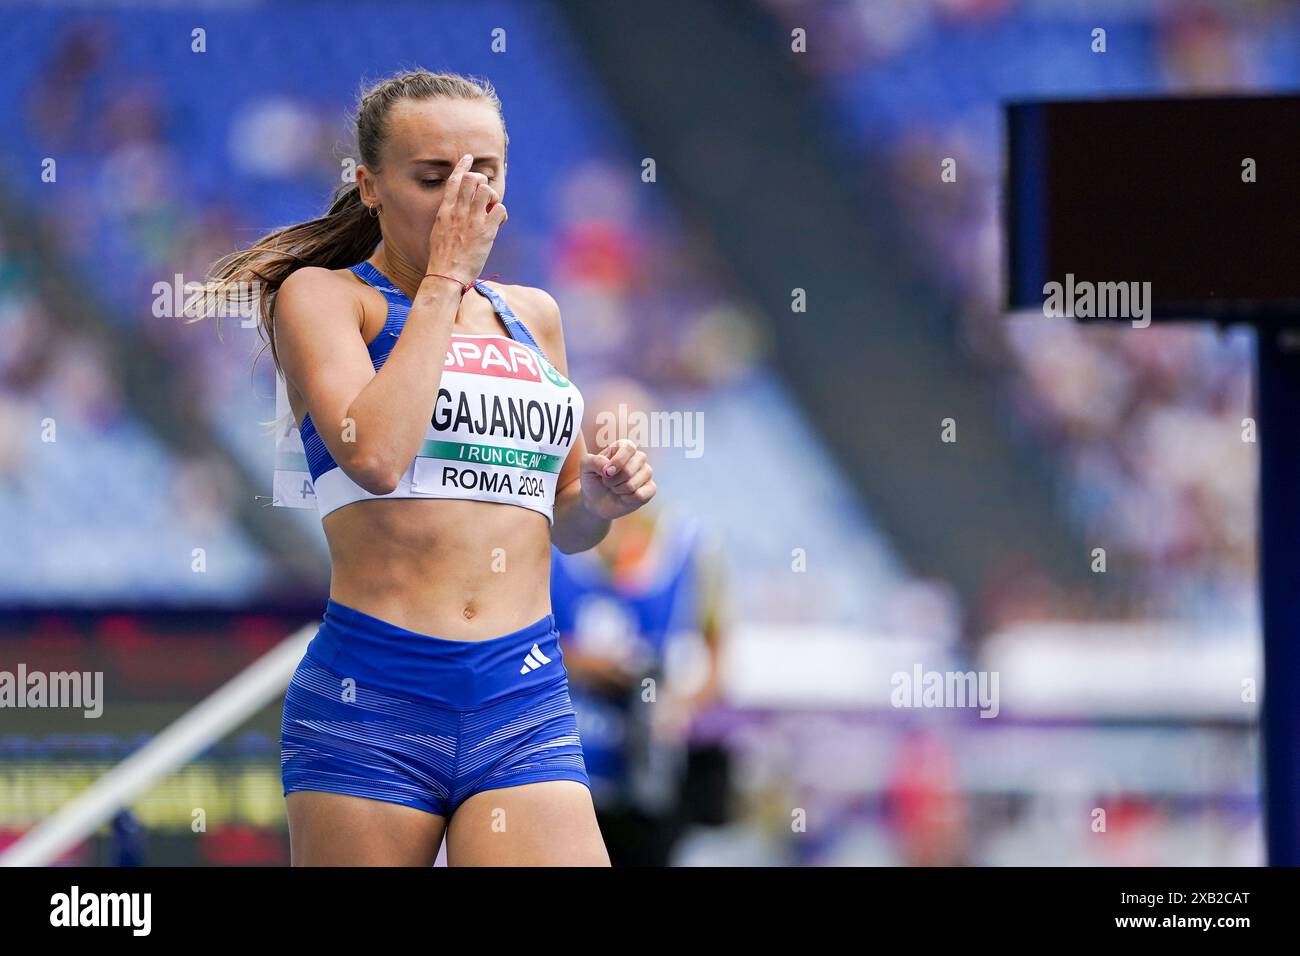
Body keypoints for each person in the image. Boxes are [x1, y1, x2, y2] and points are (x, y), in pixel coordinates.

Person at [199, 69, 656, 865]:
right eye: (433, 177)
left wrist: (602, 499)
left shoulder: (534, 315)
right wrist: (444, 279)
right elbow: (374, 456)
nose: (462, 200)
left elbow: (567, 524)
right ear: (369, 186)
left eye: (485, 173)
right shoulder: (327, 298)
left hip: (522, 692)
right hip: (374, 694)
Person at [550, 379, 727, 865]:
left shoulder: (690, 546)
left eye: (634, 438)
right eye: (604, 436)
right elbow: (499, 637)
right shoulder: (541, 531)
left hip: (644, 777)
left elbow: (718, 653)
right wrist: (582, 664)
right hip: (553, 767)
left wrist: (680, 705)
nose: (620, 452)